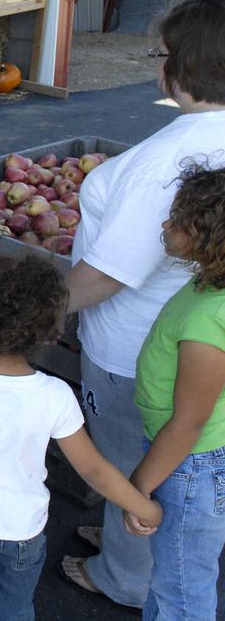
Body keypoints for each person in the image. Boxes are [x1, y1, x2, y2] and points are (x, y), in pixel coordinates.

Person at [59, 0, 225, 606]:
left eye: (160, 53)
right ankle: (124, 541)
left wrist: (38, 313)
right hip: (204, 347)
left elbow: (109, 274)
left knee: (136, 464)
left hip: (136, 351)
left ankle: (125, 576)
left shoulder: (164, 162)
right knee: (182, 459)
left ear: (177, 65)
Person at [0, 257, 162, 620]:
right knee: (13, 609)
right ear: (45, 334)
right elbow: (94, 470)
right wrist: (143, 507)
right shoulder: (55, 395)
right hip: (23, 531)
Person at [126, 164, 225, 620]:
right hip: (194, 462)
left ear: (208, 236)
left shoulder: (207, 319)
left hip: (190, 468)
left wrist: (139, 486)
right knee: (175, 578)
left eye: (177, 220)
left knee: (182, 588)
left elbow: (188, 422)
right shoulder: (212, 286)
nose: (165, 225)